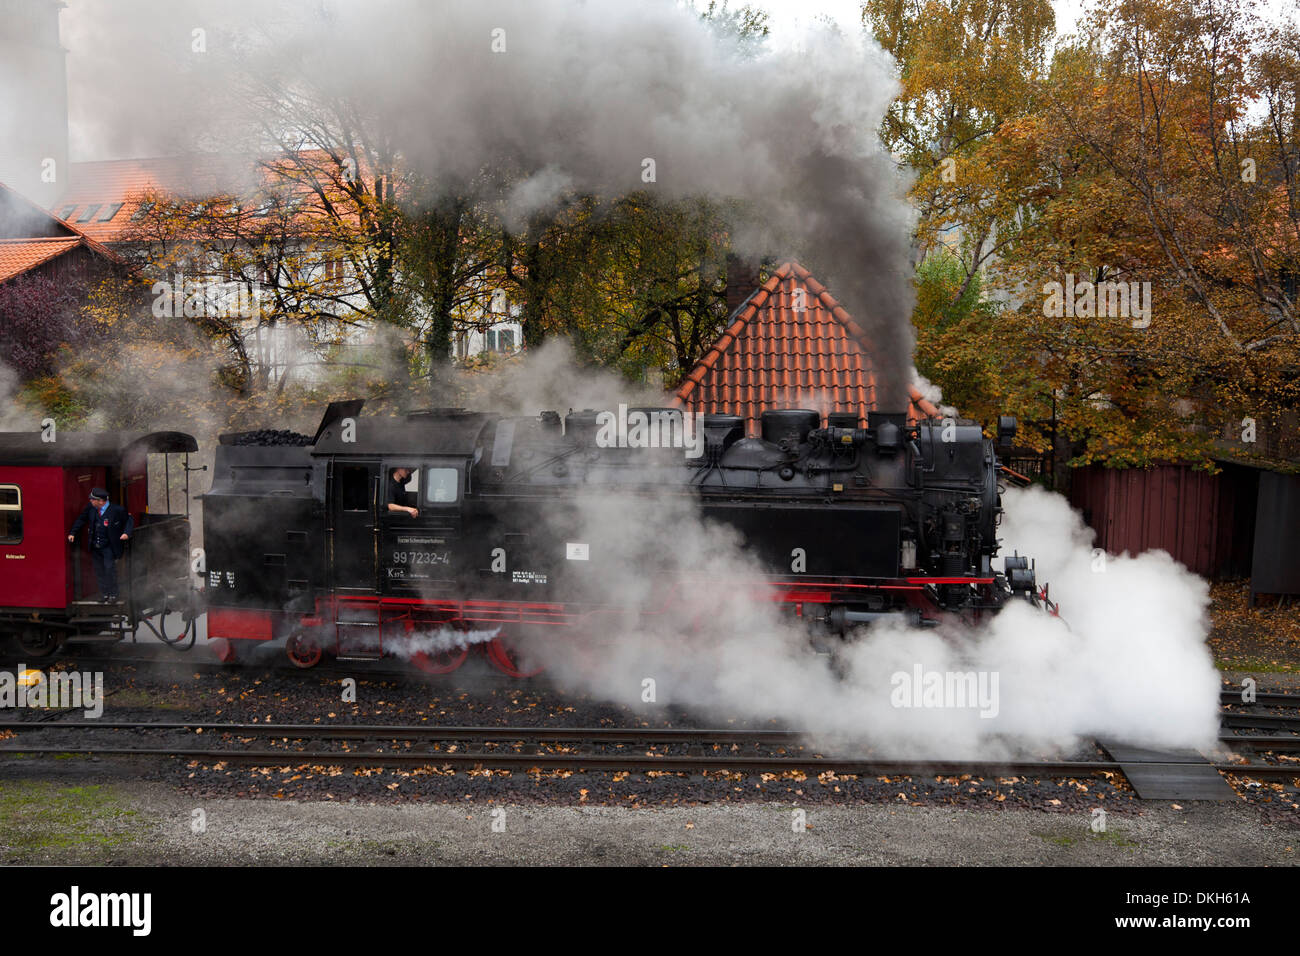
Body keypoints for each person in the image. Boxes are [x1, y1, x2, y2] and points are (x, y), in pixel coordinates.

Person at [68, 487, 133, 604]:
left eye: (92, 500)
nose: (90, 501)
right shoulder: (91, 509)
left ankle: (113, 594)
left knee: (109, 569)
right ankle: (104, 593)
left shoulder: (116, 510)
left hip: (109, 546)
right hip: (95, 545)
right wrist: (73, 532)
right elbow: (81, 519)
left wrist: (126, 533)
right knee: (99, 571)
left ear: (100, 501)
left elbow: (129, 520)